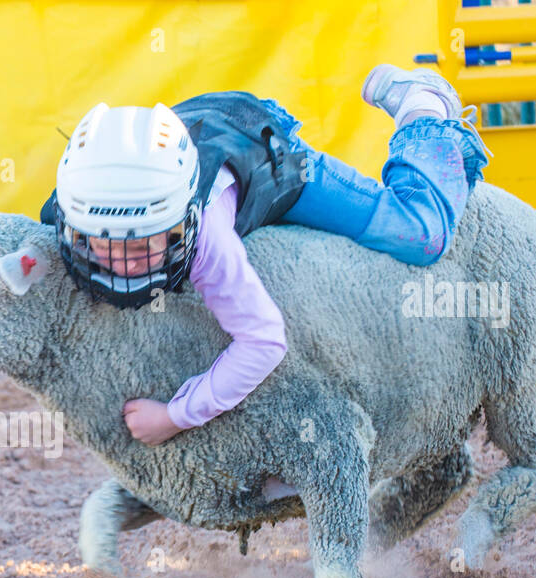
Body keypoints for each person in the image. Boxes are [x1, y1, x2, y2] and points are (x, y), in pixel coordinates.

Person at [39, 64, 493, 446]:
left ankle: (423, 106)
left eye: (145, 245)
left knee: (420, 234)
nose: (127, 264)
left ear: (181, 222)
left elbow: (264, 341)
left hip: (264, 149)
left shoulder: (206, 238)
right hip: (187, 137)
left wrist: (176, 416)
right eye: (106, 245)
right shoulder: (75, 206)